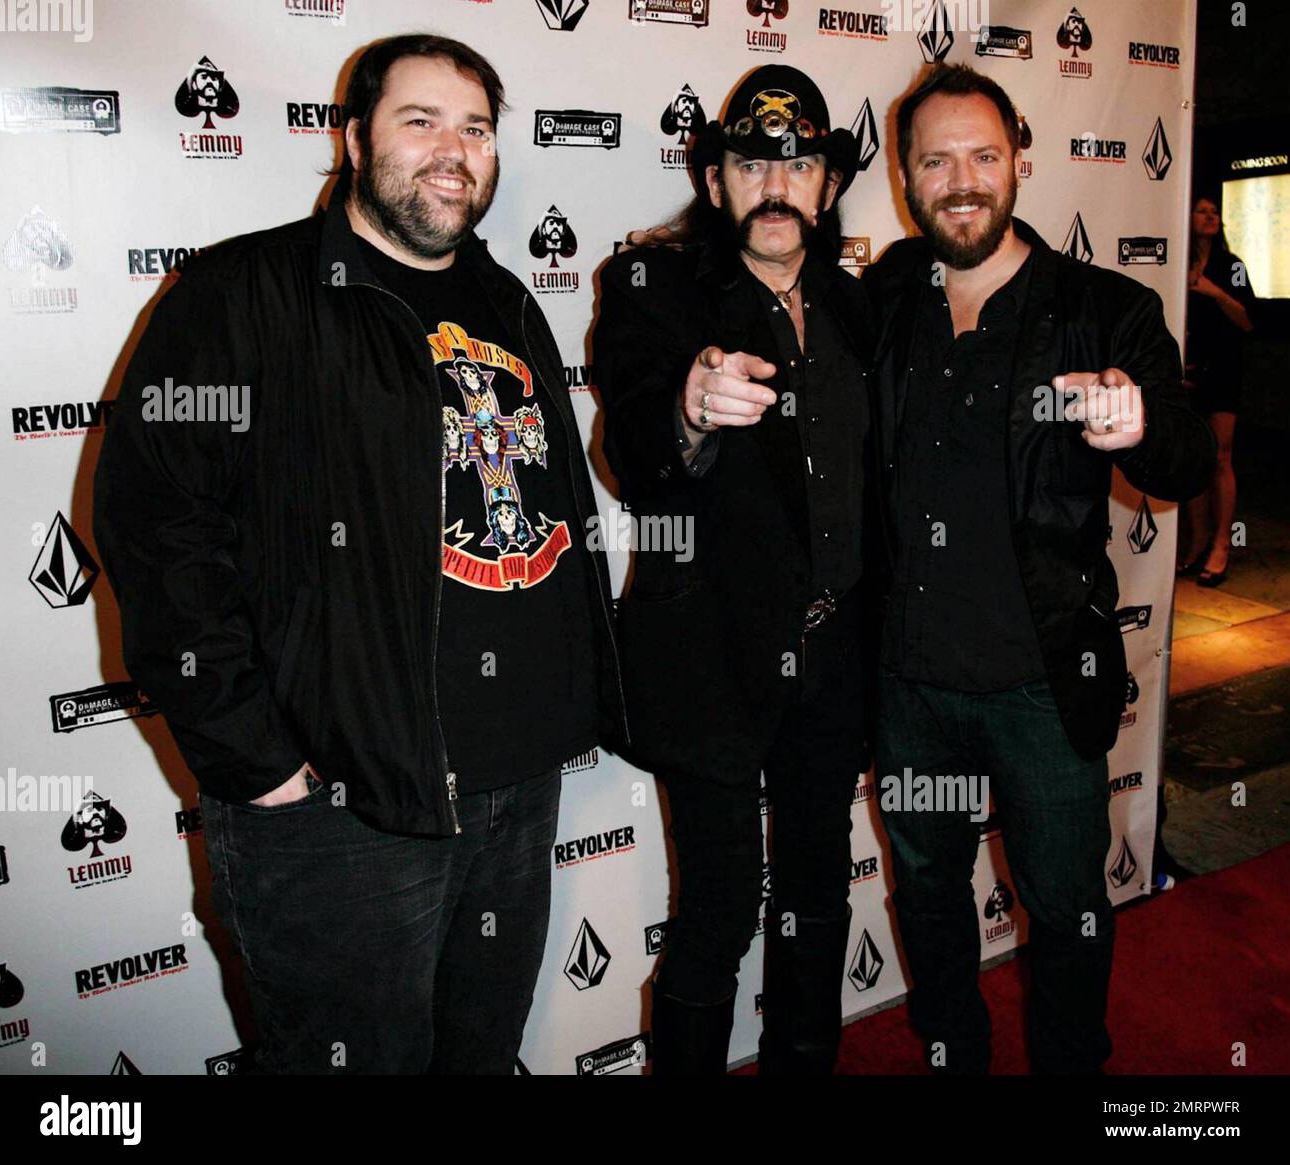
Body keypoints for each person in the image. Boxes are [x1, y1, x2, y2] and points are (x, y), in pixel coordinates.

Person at [93, 34, 624, 1074]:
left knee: (479, 1055)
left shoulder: (505, 297)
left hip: (512, 790)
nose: (452, 150)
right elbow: (158, 527)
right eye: (419, 121)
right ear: (350, 138)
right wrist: (259, 761)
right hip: (344, 807)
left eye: (475, 127)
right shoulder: (244, 295)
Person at [861, 64, 1215, 1075]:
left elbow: (1185, 454)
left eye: (982, 155)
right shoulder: (886, 297)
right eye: (935, 160)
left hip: (1045, 691)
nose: (960, 180)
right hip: (911, 688)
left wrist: (1140, 421)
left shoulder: (1099, 307)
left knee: (1065, 911)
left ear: (1020, 158)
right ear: (904, 175)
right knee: (926, 895)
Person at [593, 64, 876, 1075]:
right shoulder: (653, 289)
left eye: (797, 161)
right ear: (714, 182)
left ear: (828, 184)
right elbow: (629, 445)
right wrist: (687, 408)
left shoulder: (861, 304)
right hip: (705, 651)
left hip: (833, 657)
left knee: (815, 893)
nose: (774, 182)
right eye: (751, 161)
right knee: (717, 904)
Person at [1176, 194, 1256, 586]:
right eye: (1202, 211)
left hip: (1224, 367)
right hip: (1188, 368)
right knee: (1195, 457)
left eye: (1214, 212)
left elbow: (1247, 319)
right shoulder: (1177, 260)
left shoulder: (1232, 266)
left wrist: (1212, 290)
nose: (1210, 217)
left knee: (1222, 457)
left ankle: (1223, 543)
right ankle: (1198, 541)